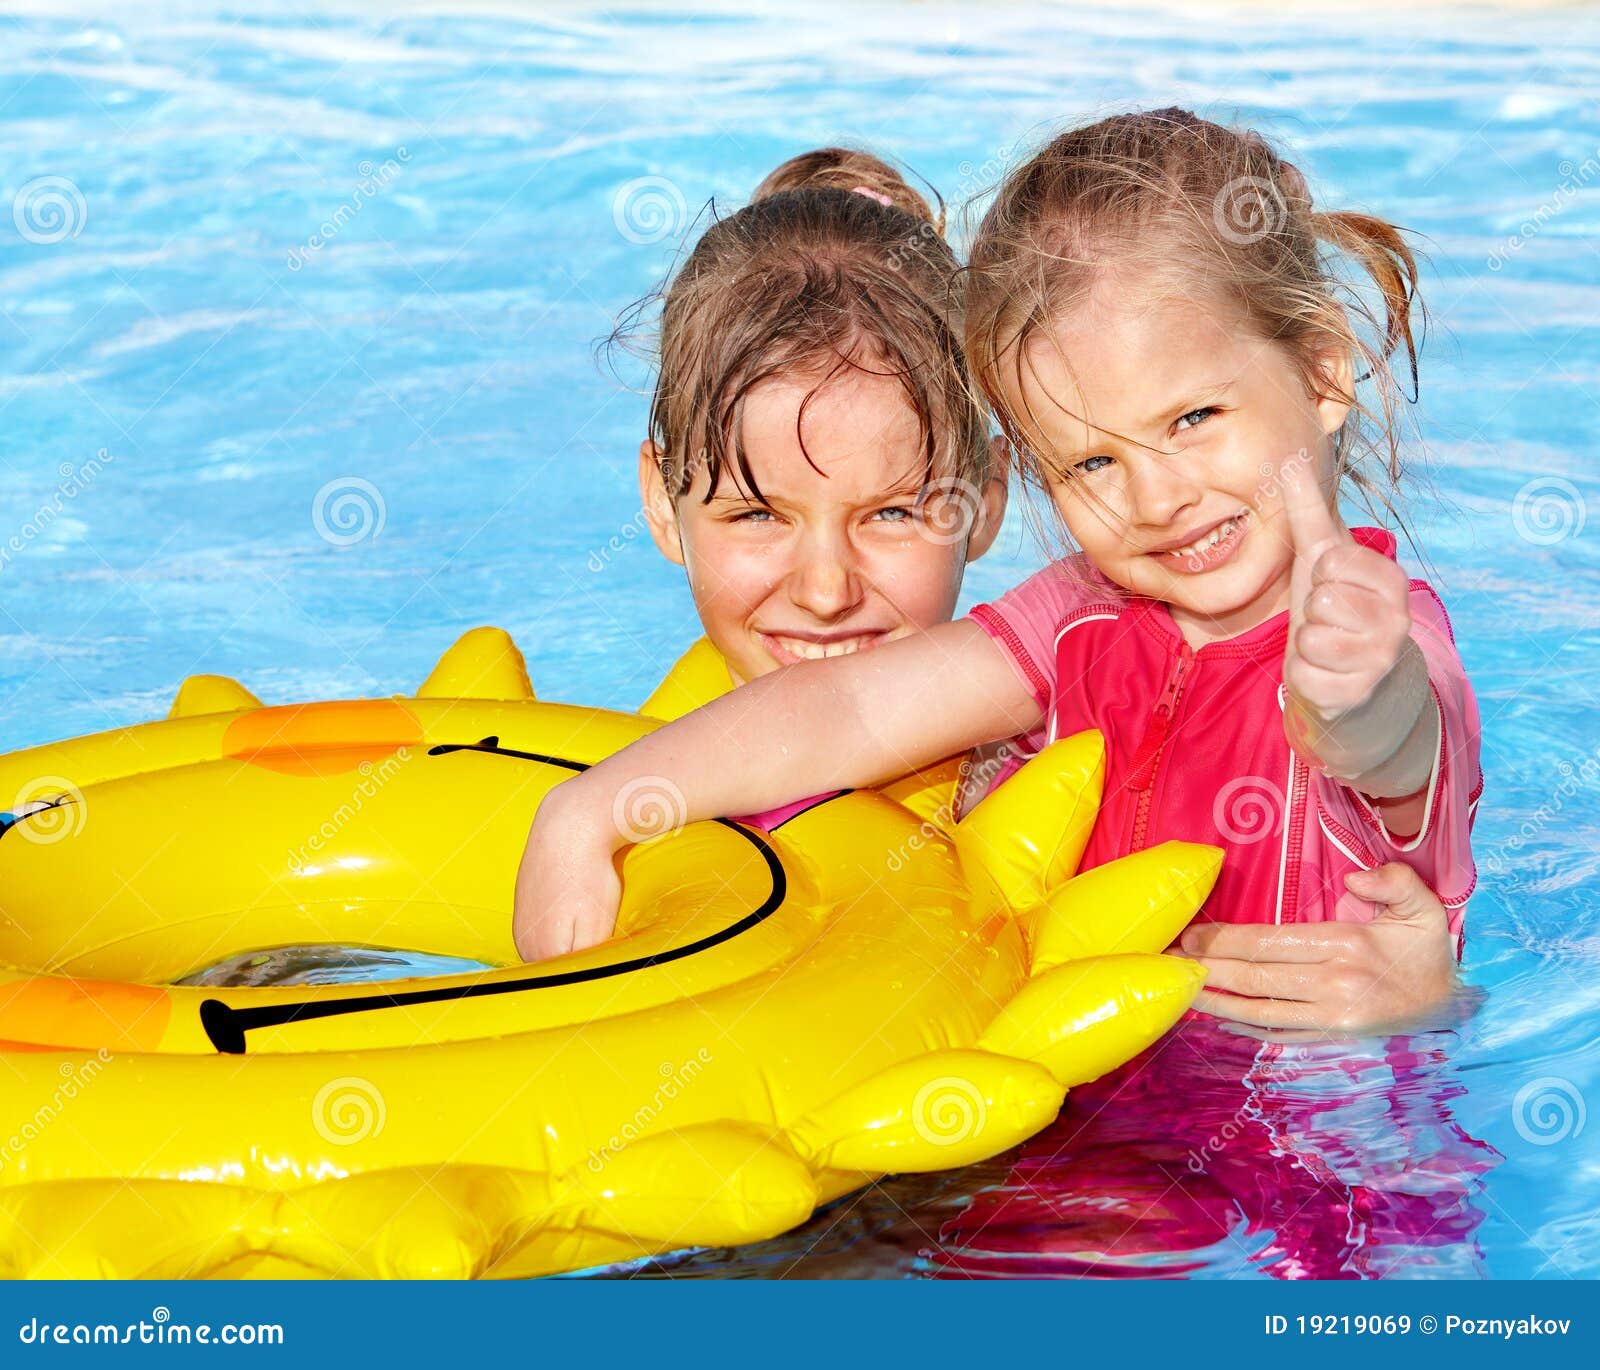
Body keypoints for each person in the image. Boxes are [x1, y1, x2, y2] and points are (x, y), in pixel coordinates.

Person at [516, 110, 1481, 1034]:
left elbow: (1392, 741)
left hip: (1318, 1125)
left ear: (1321, 374)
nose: (1157, 499)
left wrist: (1351, 687)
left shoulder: (1393, 644)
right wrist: (590, 807)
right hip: (1083, 1117)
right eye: (1093, 463)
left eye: (1194, 419)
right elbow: (849, 709)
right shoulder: (1071, 621)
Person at [626, 147, 1010, 822]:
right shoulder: (615, 786)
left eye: (892, 514)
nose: (827, 594)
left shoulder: (1038, 772)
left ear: (986, 501)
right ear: (662, 503)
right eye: (757, 516)